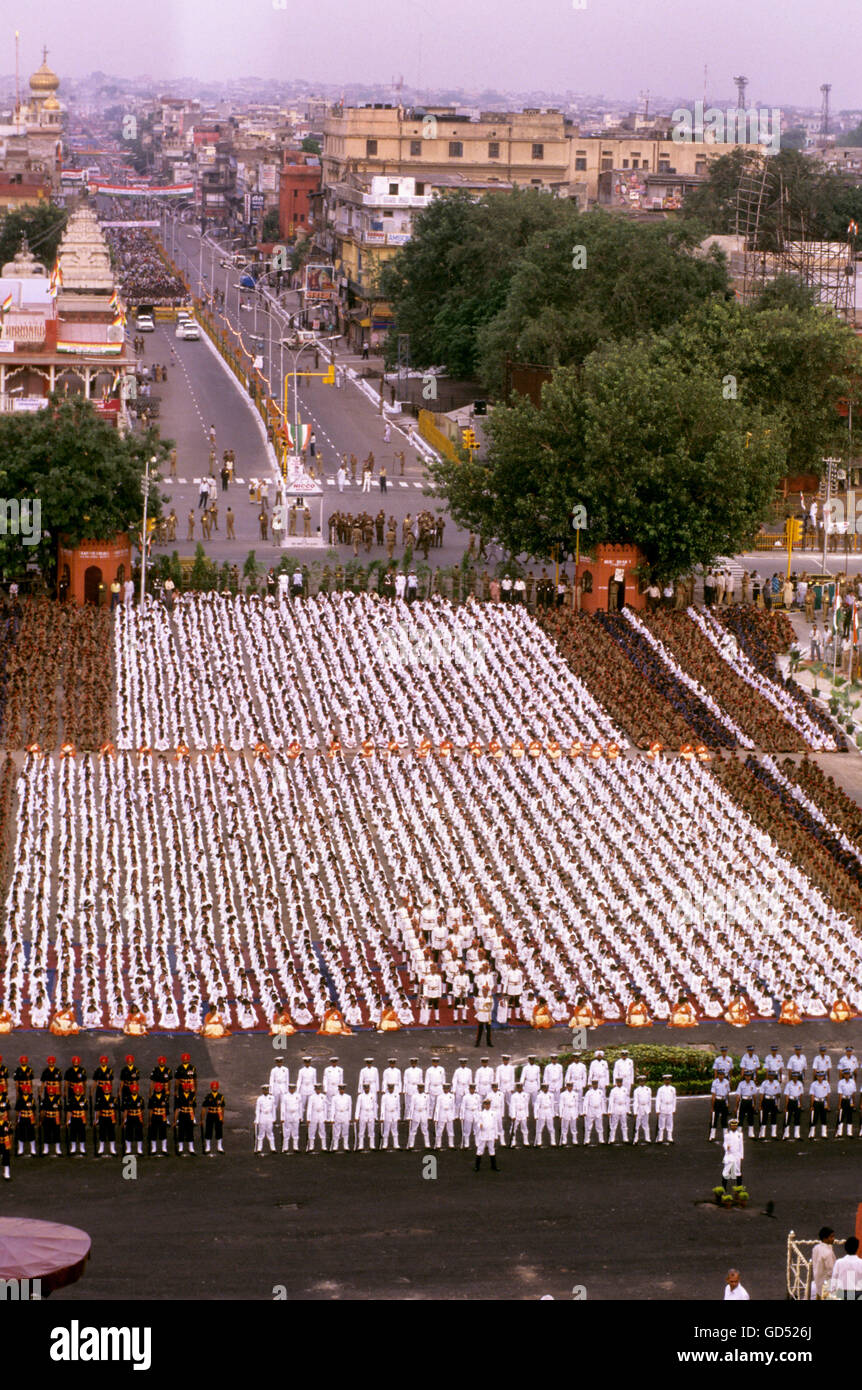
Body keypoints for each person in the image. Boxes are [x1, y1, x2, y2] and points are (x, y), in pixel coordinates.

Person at [474, 1097, 499, 1171]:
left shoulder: (493, 1113)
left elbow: (495, 1125)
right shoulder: (481, 1113)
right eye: (486, 1104)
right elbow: (478, 1122)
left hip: (491, 1133)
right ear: (483, 1105)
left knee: (492, 1149)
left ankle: (494, 1166)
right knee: (480, 1149)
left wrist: (496, 1135)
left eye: (488, 1104)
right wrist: (480, 1125)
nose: (487, 1105)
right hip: (483, 1133)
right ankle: (477, 1166)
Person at [810, 1227, 836, 1299]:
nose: (833, 1238)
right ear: (825, 1238)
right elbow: (831, 1270)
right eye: (831, 1237)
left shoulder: (815, 1248)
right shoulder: (828, 1253)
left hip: (818, 1280)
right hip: (827, 1283)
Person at [202, 1082, 225, 1155]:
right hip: (210, 1114)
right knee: (208, 1130)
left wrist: (222, 1117)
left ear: (217, 1087)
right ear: (211, 1087)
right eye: (213, 1087)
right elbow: (204, 1108)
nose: (214, 1088)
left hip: (218, 1115)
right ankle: (208, 1147)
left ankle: (219, 1146)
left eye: (215, 1087)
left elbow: (222, 1107)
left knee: (219, 1130)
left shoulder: (221, 1096)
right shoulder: (208, 1096)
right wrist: (202, 1119)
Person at [722, 1117, 744, 1192]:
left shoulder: (740, 1135)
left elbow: (741, 1145)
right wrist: (726, 1147)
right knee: (726, 1171)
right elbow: (724, 1143)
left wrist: (741, 1155)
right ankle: (724, 1188)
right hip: (729, 1155)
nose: (734, 1127)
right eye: (732, 1125)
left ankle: (739, 1188)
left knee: (738, 1171)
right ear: (730, 1126)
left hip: (737, 1155)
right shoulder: (727, 1135)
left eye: (735, 1125)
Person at [255, 1084, 277, 1154]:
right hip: (262, 1116)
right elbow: (257, 1110)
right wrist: (257, 1120)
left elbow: (274, 1109)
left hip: (269, 1116)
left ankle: (273, 1148)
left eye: (267, 1090)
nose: (266, 1091)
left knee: (270, 1132)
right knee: (261, 1133)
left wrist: (274, 1118)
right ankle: (259, 1148)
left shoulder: (272, 1098)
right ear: (262, 1091)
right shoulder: (260, 1099)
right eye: (264, 1090)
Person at [655, 1074, 677, 1143]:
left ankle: (669, 1137)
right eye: (666, 1080)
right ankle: (660, 1138)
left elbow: (674, 1099)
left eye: (668, 1080)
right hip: (663, 1106)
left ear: (670, 1080)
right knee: (661, 1123)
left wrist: (674, 1109)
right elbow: (658, 1099)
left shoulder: (673, 1089)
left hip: (670, 1107)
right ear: (664, 1080)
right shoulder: (660, 1089)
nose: (667, 1081)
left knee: (670, 1123)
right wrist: (657, 1109)